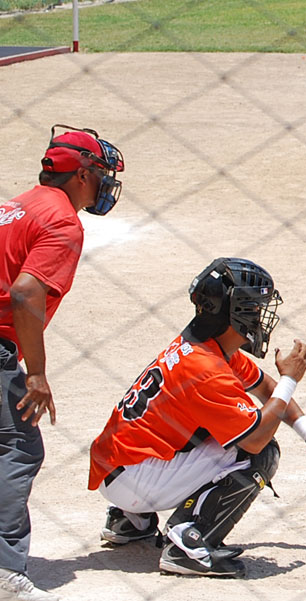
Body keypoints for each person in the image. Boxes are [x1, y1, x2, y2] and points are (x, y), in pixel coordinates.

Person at [87, 257, 306, 578]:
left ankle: (132, 520)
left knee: (223, 431)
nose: (260, 316)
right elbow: (256, 439)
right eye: (253, 307)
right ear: (231, 312)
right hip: (136, 478)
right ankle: (189, 542)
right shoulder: (206, 369)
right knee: (260, 453)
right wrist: (290, 379)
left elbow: (267, 389)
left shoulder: (205, 346)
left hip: (119, 466)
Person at [1, 125, 124, 601]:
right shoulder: (62, 221)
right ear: (83, 174)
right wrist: (35, 372)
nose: (104, 185)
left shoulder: (15, 205)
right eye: (100, 175)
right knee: (17, 448)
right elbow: (25, 293)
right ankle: (4, 573)